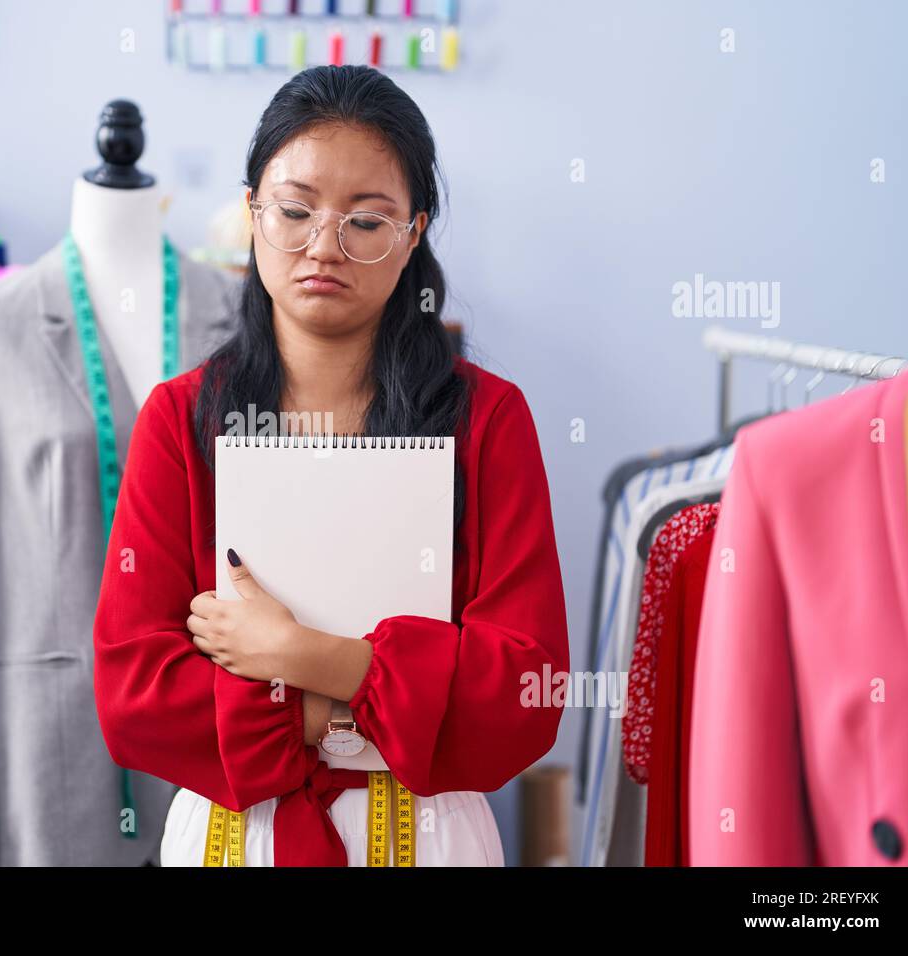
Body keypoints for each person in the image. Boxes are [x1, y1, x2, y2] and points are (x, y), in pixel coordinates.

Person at [92, 64, 569, 866]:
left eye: (368, 220)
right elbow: (133, 694)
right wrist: (370, 697)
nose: (324, 246)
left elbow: (525, 690)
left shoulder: (488, 420)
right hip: (232, 836)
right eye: (295, 209)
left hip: (427, 835)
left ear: (414, 233)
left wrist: (305, 658)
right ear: (252, 212)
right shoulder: (181, 420)